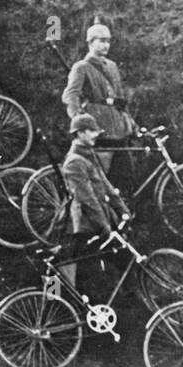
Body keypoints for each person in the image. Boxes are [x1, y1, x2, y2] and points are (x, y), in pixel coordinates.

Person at [57, 114, 129, 294]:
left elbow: (106, 186)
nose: (96, 135)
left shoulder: (89, 155)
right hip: (80, 229)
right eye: (92, 131)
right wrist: (105, 227)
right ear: (79, 133)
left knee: (120, 265)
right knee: (73, 282)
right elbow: (87, 200)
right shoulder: (74, 162)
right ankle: (55, 306)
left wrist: (123, 210)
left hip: (94, 225)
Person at [62, 21, 133, 176]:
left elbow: (120, 98)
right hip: (98, 128)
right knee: (98, 176)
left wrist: (130, 121)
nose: (106, 45)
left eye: (108, 41)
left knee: (124, 175)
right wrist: (80, 122)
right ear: (90, 42)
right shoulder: (81, 67)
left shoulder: (112, 66)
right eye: (101, 41)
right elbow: (71, 95)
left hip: (118, 129)